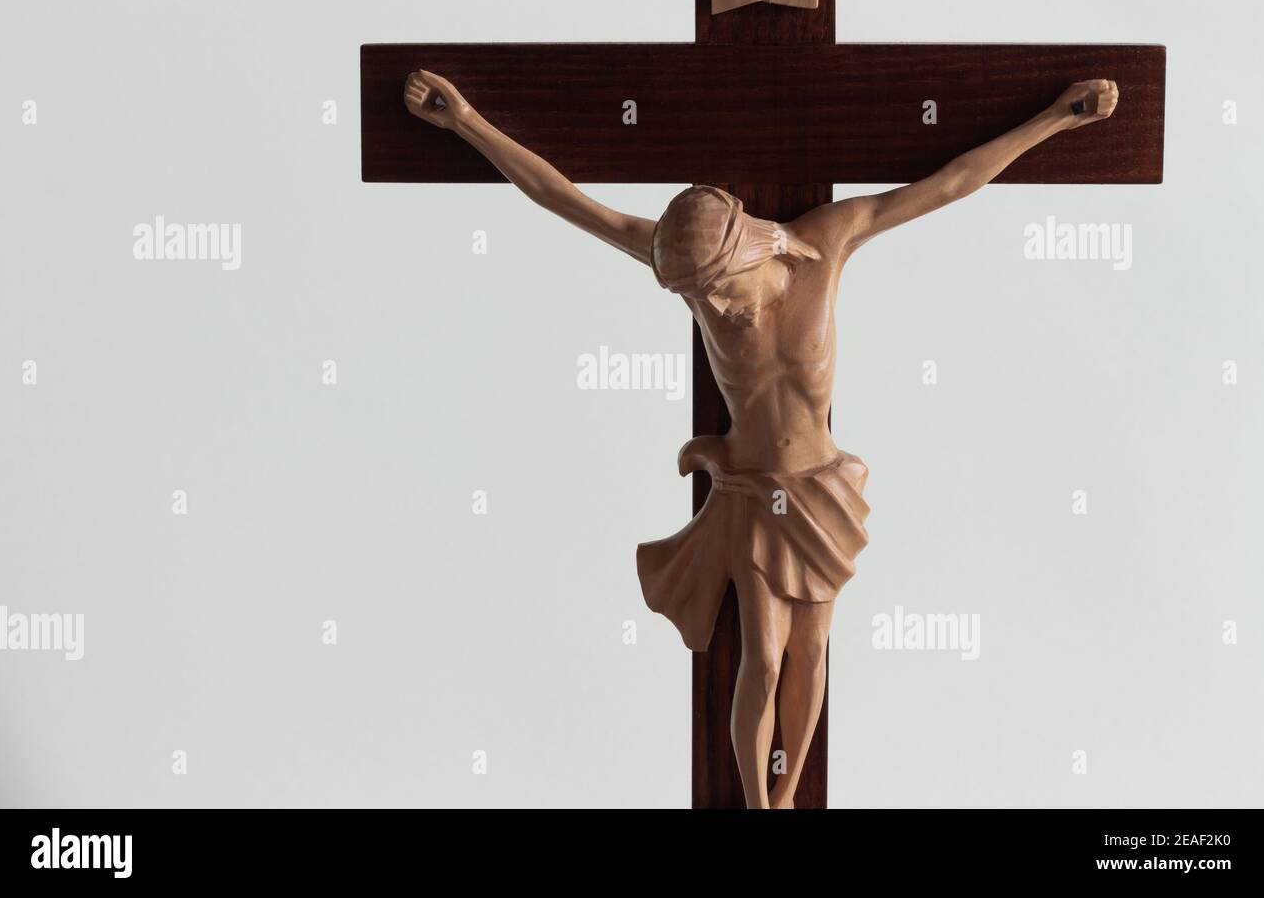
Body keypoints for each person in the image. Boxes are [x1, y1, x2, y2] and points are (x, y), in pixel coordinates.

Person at [405, 70, 1119, 808]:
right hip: (752, 493)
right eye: (696, 295)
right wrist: (466, 122)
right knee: (765, 660)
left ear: (749, 251)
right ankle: (757, 804)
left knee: (811, 652)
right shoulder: (690, 276)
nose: (710, 306)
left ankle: (788, 799)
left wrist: (1057, 118)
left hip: (822, 488)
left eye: (719, 287)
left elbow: (951, 183)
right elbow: (566, 200)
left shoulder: (828, 243)